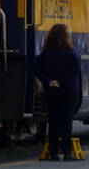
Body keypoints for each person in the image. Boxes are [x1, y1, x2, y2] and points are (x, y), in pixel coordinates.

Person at [34, 23, 82, 161]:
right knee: (66, 122)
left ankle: (54, 152)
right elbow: (74, 71)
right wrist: (60, 82)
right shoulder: (70, 52)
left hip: (51, 91)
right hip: (68, 91)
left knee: (53, 122)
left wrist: (49, 81)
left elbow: (37, 70)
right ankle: (67, 152)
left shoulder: (45, 53)